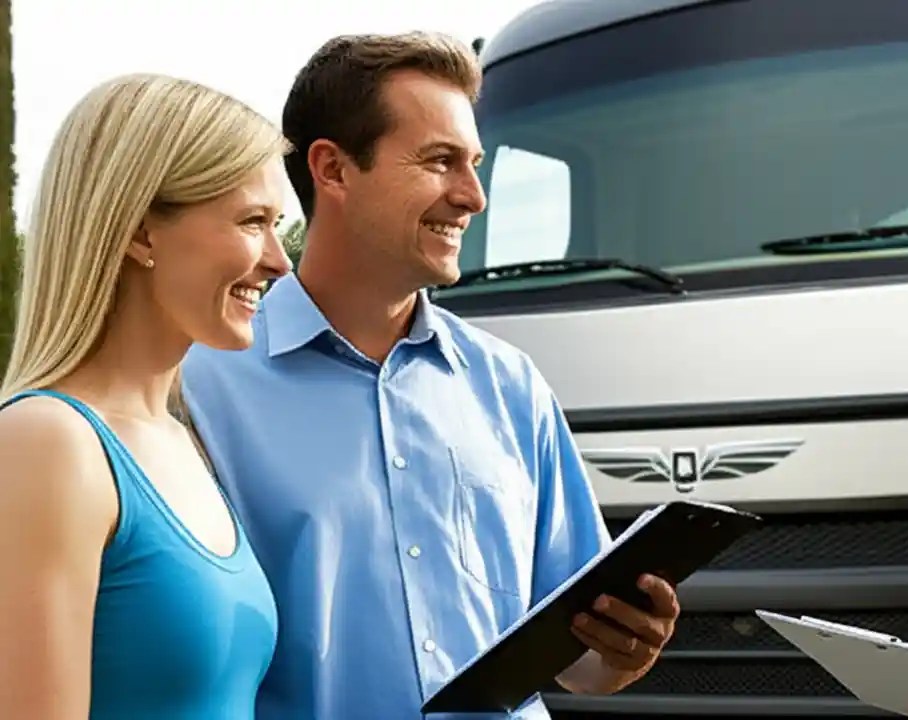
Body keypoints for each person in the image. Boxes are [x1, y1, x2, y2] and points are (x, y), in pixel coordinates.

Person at [178, 31, 680, 719]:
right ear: (332, 169)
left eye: (474, 164)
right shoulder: (199, 386)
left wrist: (622, 653)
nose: (474, 197)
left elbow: (579, 663)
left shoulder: (512, 387)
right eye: (441, 162)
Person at [0, 73, 292, 718]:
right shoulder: (48, 443)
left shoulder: (180, 439)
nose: (280, 260)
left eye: (277, 225)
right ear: (140, 232)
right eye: (253, 222)